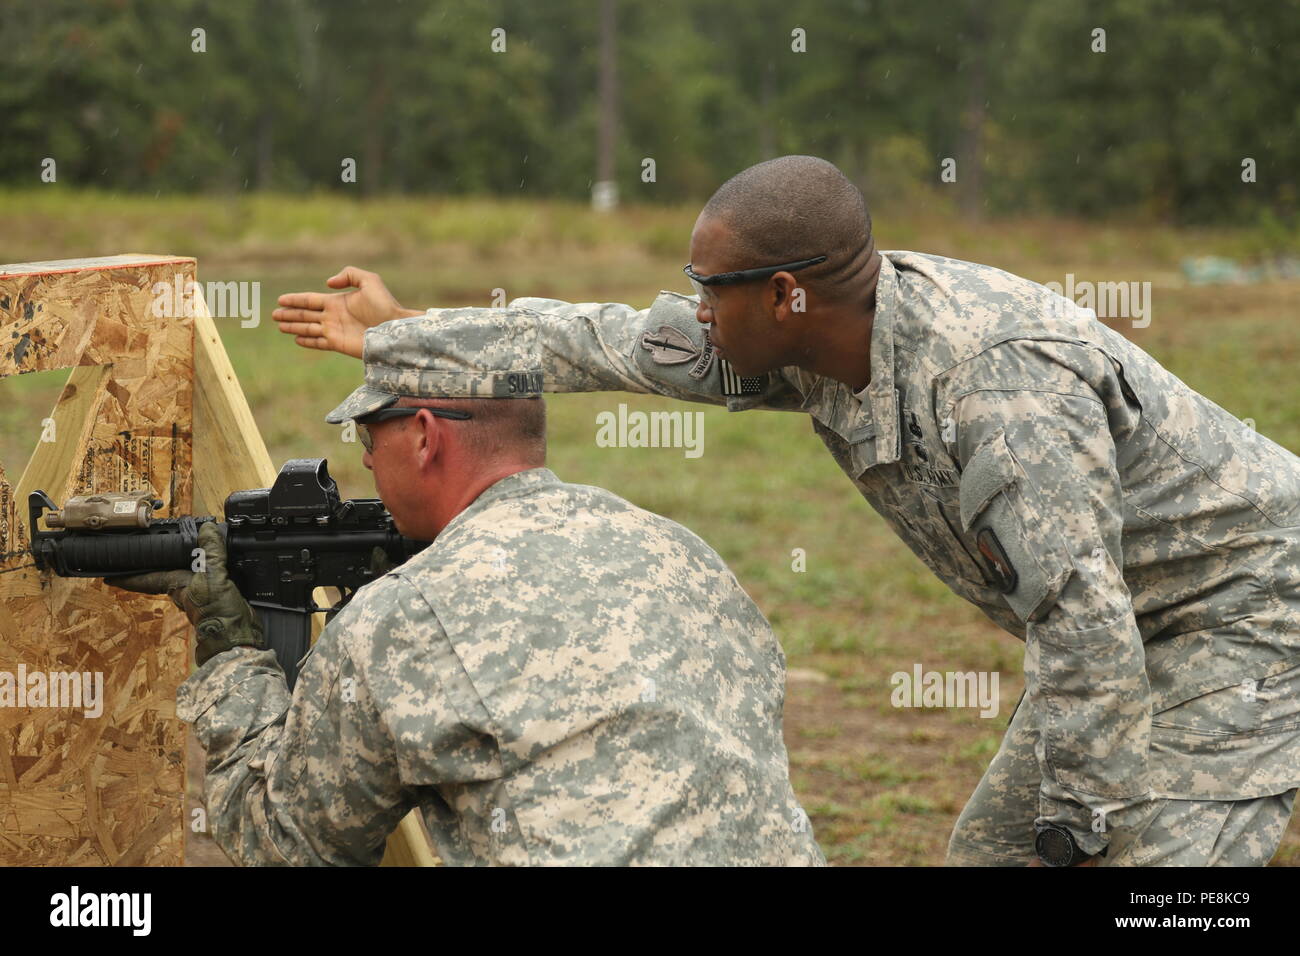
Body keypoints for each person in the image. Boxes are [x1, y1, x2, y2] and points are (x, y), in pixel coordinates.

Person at [272, 155, 1300, 867]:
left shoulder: (999, 394)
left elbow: (1086, 628)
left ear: (783, 294)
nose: (694, 311)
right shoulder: (810, 349)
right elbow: (604, 342)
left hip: (1245, 621)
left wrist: (1080, 821)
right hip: (1119, 630)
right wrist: (405, 338)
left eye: (709, 289)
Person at [110, 312, 825, 866]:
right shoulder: (682, 549)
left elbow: (288, 843)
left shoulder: (403, 616)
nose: (363, 457)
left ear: (424, 436)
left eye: (368, 433)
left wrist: (229, 648)